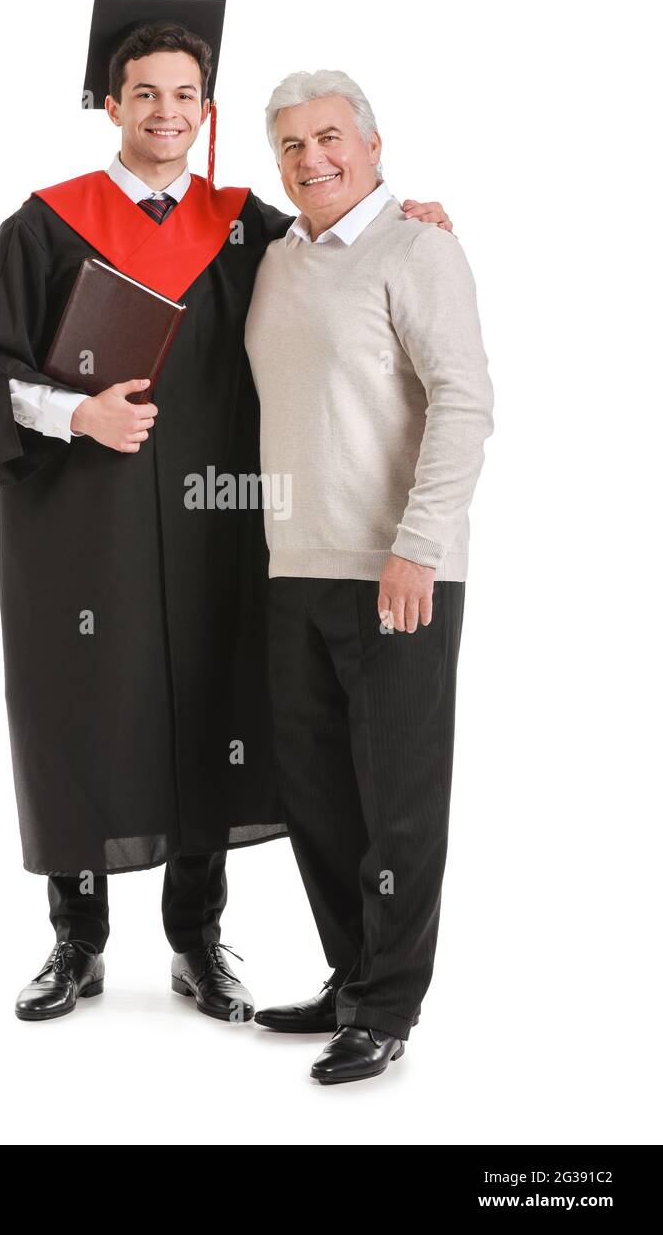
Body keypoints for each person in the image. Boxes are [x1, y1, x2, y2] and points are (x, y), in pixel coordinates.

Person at [0, 0, 452, 1027]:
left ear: (206, 109)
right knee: (79, 711)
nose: (167, 111)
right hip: (77, 531)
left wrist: (414, 214)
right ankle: (76, 941)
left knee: (203, 712)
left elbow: (337, 239)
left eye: (186, 94)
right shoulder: (45, 224)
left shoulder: (243, 227)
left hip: (213, 525)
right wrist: (75, 410)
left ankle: (195, 936)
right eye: (145, 94)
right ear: (111, 105)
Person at [245, 70, 493, 1082]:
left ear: (374, 144)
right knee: (316, 793)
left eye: (331, 137)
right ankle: (351, 975)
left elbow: (464, 401)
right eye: (292, 145)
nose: (314, 159)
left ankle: (388, 1005)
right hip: (293, 567)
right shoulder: (274, 260)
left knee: (396, 797)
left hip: (397, 572)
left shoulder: (418, 247)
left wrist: (418, 543)